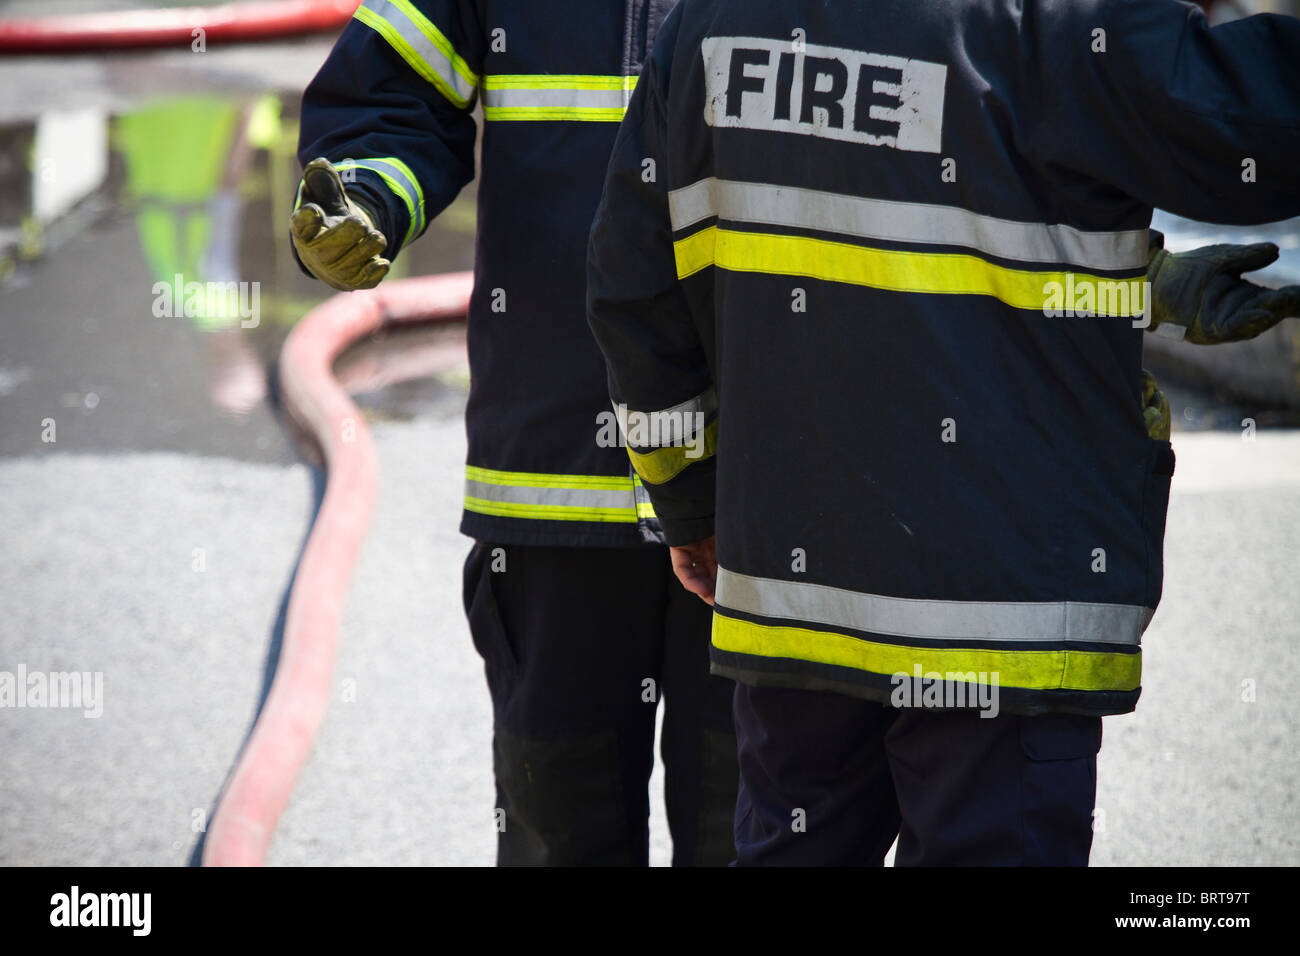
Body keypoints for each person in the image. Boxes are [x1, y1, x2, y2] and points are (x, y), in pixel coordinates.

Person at [586, 0, 1300, 865]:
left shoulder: (710, 23)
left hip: (796, 608)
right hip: (1006, 618)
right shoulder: (1063, 19)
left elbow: (633, 287)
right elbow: (1253, 124)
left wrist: (690, 502)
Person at [287, 0, 737, 866]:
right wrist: (368, 197)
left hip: (758, 495)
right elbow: (394, 92)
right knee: (559, 825)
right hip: (557, 486)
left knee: (755, 832)